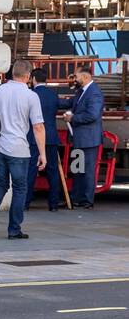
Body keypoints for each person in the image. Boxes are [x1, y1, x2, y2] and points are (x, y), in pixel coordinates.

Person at [0, 59, 46, 240]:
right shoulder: (31, 96)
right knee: (19, 188)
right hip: (19, 149)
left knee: (1, 184)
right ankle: (14, 229)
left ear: (12, 73)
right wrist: (43, 154)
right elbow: (38, 127)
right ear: (28, 76)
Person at [58, 62, 105, 209]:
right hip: (78, 139)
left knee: (88, 171)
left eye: (76, 76)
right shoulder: (81, 91)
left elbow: (92, 115)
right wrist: (48, 100)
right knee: (77, 170)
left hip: (89, 140)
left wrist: (72, 118)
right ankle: (75, 199)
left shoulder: (94, 93)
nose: (74, 79)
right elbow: (69, 103)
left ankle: (87, 200)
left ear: (84, 77)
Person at [28, 68, 62, 212]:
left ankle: (25, 203)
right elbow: (64, 105)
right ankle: (53, 204)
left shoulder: (31, 95)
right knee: (53, 171)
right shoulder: (53, 95)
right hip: (51, 138)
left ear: (34, 79)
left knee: (30, 171)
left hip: (34, 138)